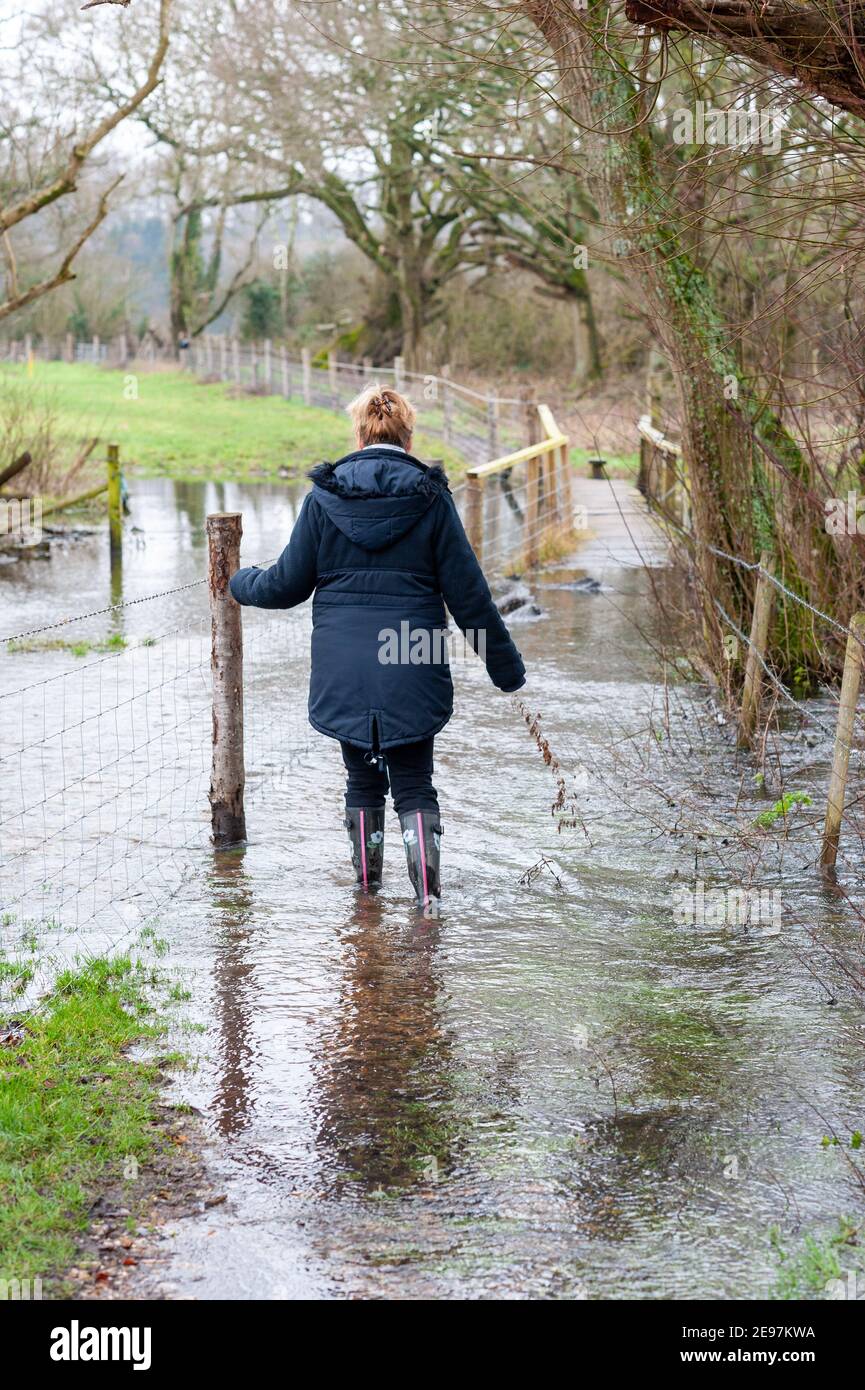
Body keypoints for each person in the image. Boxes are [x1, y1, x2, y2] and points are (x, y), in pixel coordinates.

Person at [229, 383, 525, 907]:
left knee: (362, 783)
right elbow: (470, 597)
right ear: (409, 438)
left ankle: (366, 906)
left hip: (343, 666)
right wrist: (507, 671)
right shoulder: (432, 498)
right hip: (411, 656)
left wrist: (238, 580)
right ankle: (428, 908)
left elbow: (285, 586)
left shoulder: (325, 497)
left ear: (359, 433)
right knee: (414, 782)